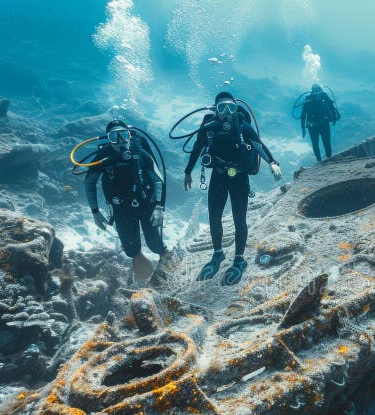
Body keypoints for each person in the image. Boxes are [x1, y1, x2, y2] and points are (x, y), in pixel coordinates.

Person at [184, 92, 282, 286]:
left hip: (239, 177)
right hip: (219, 176)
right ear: (215, 110)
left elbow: (257, 143)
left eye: (230, 107)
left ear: (235, 108)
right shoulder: (209, 128)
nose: (227, 113)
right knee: (214, 216)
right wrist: (188, 172)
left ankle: (239, 259)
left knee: (239, 219)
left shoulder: (241, 125)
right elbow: (196, 148)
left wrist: (272, 162)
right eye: (222, 108)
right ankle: (218, 254)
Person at [85, 120, 166, 282]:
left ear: (129, 135)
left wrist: (159, 207)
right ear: (108, 140)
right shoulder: (103, 157)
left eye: (124, 134)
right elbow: (89, 182)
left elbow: (158, 180)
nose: (121, 140)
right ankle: (143, 274)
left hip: (146, 205)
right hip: (121, 209)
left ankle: (167, 263)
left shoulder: (140, 153)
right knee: (131, 250)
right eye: (114, 137)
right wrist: (95, 212)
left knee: (155, 244)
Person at [300, 84, 340, 162]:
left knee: (316, 144)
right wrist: (334, 119)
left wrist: (303, 129)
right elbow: (331, 107)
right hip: (323, 124)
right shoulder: (323, 96)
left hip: (312, 126)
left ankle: (320, 160)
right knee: (326, 142)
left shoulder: (307, 100)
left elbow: (303, 116)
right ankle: (328, 158)